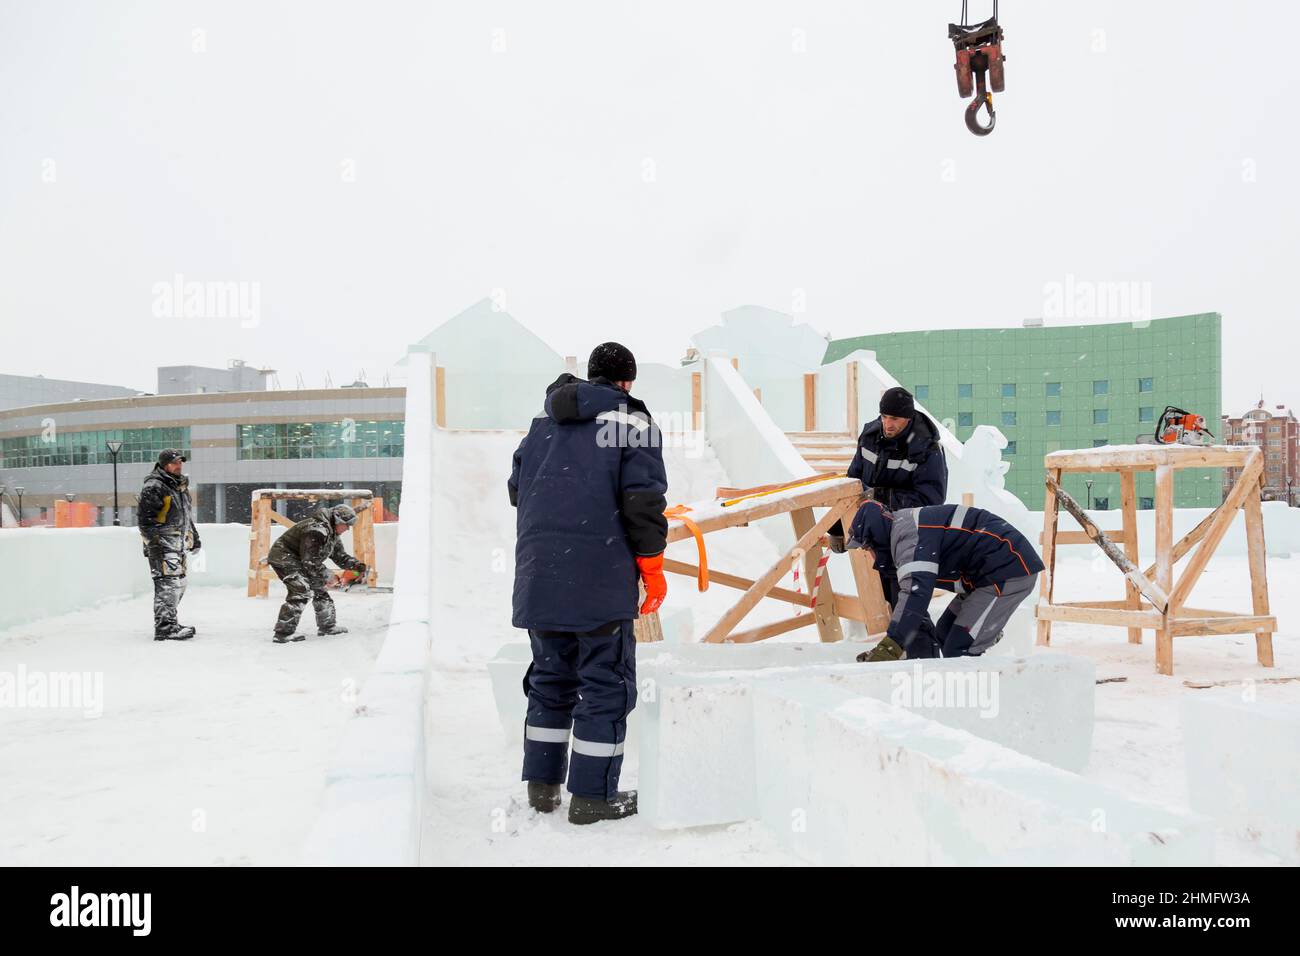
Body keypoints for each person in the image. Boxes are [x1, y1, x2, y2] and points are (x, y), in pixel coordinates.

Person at [509, 342, 668, 825]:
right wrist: (652, 564)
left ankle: (542, 789)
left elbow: (518, 489)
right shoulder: (632, 423)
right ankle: (593, 797)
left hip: (541, 574)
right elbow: (642, 500)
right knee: (606, 684)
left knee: (551, 679)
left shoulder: (542, 423)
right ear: (626, 382)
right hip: (600, 577)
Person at [847, 499, 1043, 661]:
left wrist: (891, 647)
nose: (871, 555)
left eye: (867, 548)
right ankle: (983, 628)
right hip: (984, 575)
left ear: (876, 538)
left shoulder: (908, 538)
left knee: (959, 648)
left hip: (1008, 569)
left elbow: (915, 593)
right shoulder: (903, 527)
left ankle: (971, 701)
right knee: (944, 633)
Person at [266, 502, 368, 644]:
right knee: (300, 591)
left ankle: (327, 627)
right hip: (284, 558)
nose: (348, 529)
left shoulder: (332, 533)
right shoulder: (315, 531)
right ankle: (283, 634)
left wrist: (357, 566)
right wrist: (328, 575)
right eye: (347, 525)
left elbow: (339, 556)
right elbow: (310, 562)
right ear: (338, 520)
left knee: (319, 589)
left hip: (302, 560)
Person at [138, 448, 201, 641]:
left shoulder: (178, 486)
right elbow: (145, 520)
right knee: (167, 586)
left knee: (178, 584)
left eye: (180, 462)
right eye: (175, 462)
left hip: (177, 543)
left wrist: (194, 537)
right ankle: (165, 628)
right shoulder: (155, 486)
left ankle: (171, 622)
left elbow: (185, 516)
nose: (179, 466)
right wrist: (154, 543)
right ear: (165, 464)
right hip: (162, 545)